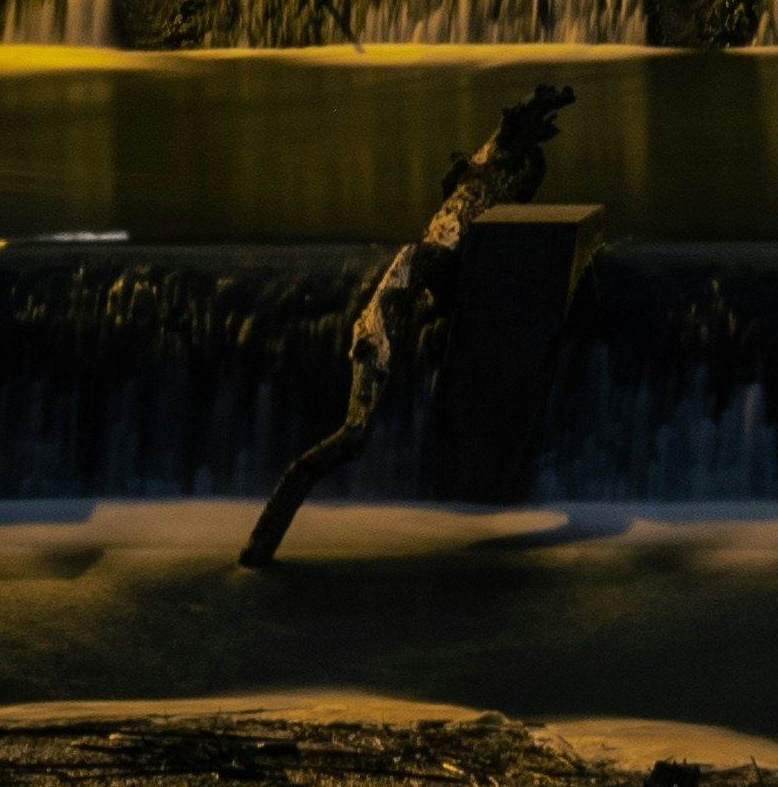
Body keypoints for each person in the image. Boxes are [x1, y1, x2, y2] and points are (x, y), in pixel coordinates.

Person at [240, 82, 578, 568]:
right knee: (407, 280)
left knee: (421, 260)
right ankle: (352, 432)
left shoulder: (512, 169)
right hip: (440, 251)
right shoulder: (503, 175)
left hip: (449, 240)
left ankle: (334, 457)